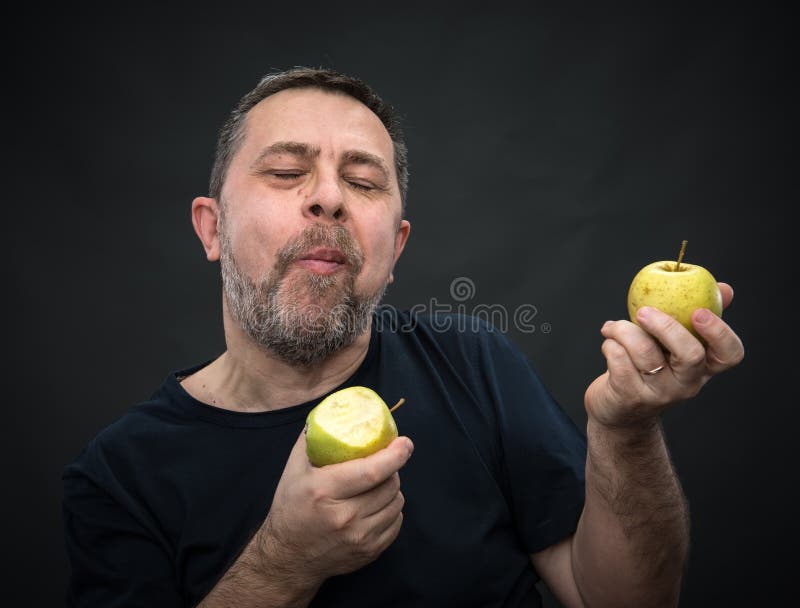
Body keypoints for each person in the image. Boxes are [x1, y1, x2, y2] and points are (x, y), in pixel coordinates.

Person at [62, 67, 745, 608]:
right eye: (286, 172)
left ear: (395, 247)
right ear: (211, 228)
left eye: (362, 181)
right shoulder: (121, 474)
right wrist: (284, 564)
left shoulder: (474, 364)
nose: (328, 197)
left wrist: (627, 432)